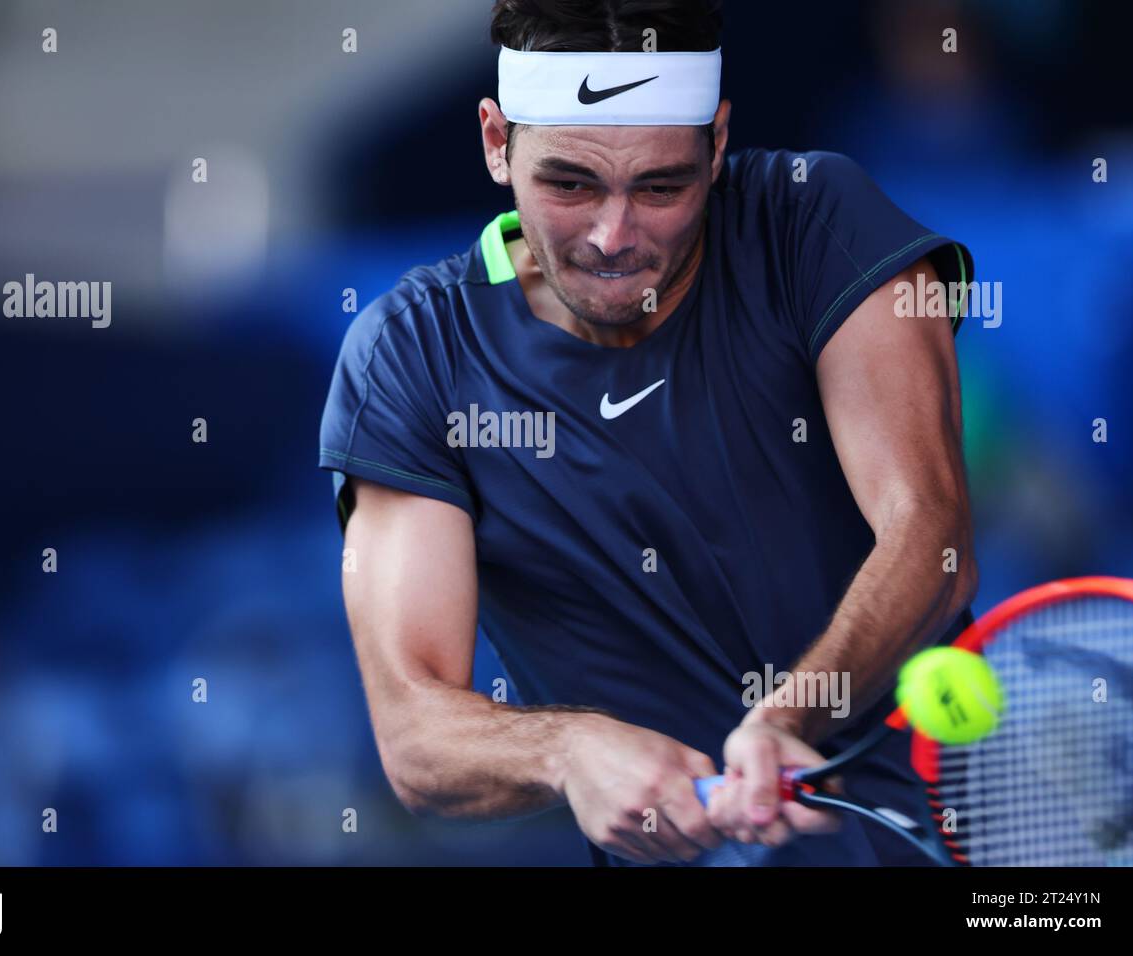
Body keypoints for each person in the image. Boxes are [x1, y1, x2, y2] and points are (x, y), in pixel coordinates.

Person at [318, 0, 977, 866]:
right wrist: (568, 750)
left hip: (961, 838)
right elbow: (415, 733)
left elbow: (929, 529)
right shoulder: (411, 353)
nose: (613, 237)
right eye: (569, 184)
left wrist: (789, 715)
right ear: (495, 141)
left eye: (662, 186)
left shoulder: (815, 218)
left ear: (717, 141)